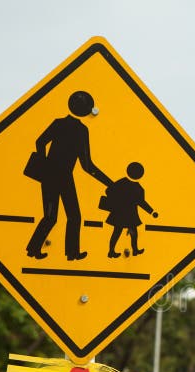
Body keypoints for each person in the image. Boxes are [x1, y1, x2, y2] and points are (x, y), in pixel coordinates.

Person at [26, 90, 113, 261]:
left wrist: (45, 165)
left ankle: (36, 250)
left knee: (52, 217)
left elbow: (40, 142)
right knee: (72, 217)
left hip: (52, 177)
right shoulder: (81, 130)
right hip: (63, 177)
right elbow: (86, 165)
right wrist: (109, 183)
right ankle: (70, 253)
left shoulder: (58, 124)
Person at [103, 161, 158, 258]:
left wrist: (151, 211)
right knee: (124, 232)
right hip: (127, 214)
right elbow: (142, 203)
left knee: (123, 232)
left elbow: (108, 190)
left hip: (123, 213)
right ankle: (113, 251)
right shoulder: (138, 188)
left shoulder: (122, 182)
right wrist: (151, 212)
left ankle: (133, 250)